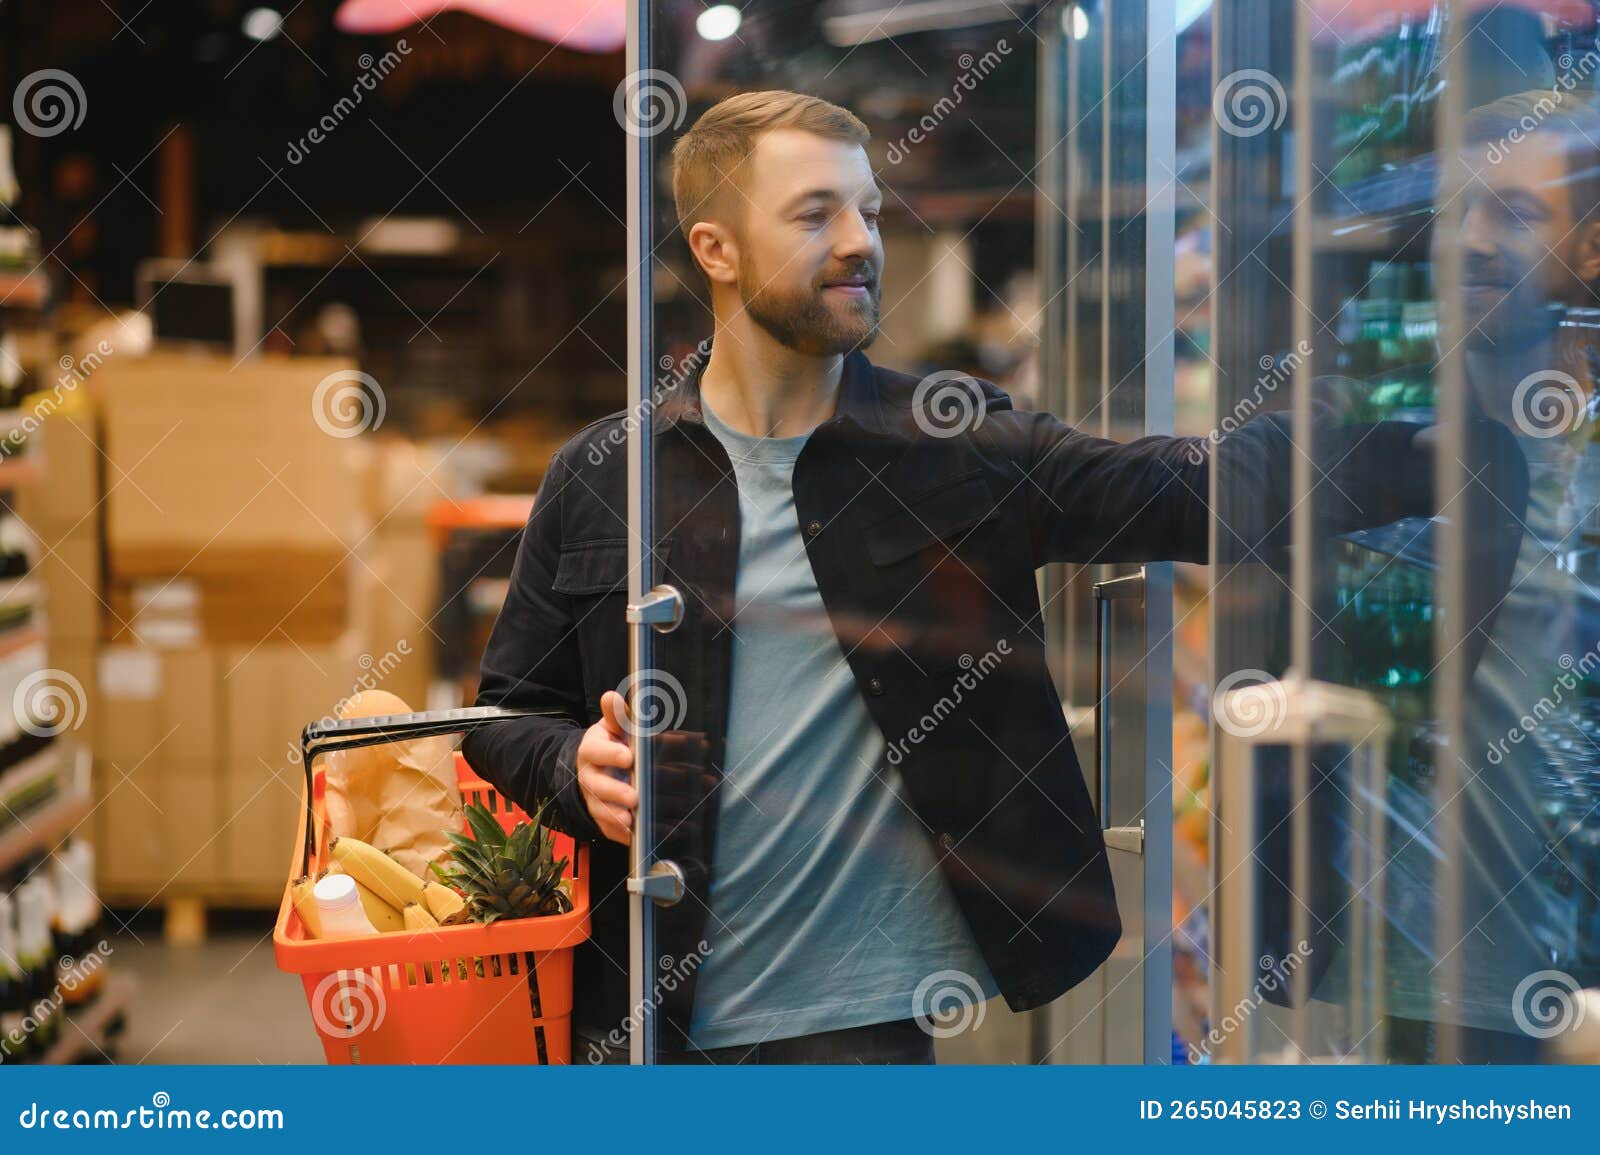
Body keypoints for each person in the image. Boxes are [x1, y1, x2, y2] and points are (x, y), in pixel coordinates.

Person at [461, 90, 1435, 1064]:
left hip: (861, 1029)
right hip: (638, 1022)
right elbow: (504, 714)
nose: (859, 242)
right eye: (815, 215)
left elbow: (1178, 488)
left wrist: (1433, 453)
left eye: (868, 210)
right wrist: (573, 766)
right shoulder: (603, 475)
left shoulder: (951, 440)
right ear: (715, 250)